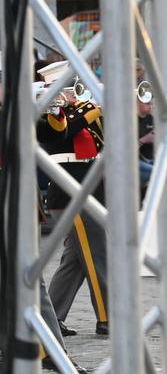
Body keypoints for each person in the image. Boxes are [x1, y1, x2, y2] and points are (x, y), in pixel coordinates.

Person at [38, 61, 109, 337]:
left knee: (76, 260)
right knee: (98, 254)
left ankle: (52, 316)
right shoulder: (45, 114)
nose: (75, 93)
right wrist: (90, 109)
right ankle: (108, 318)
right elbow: (62, 132)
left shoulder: (80, 112)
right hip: (69, 192)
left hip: (89, 188)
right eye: (69, 88)